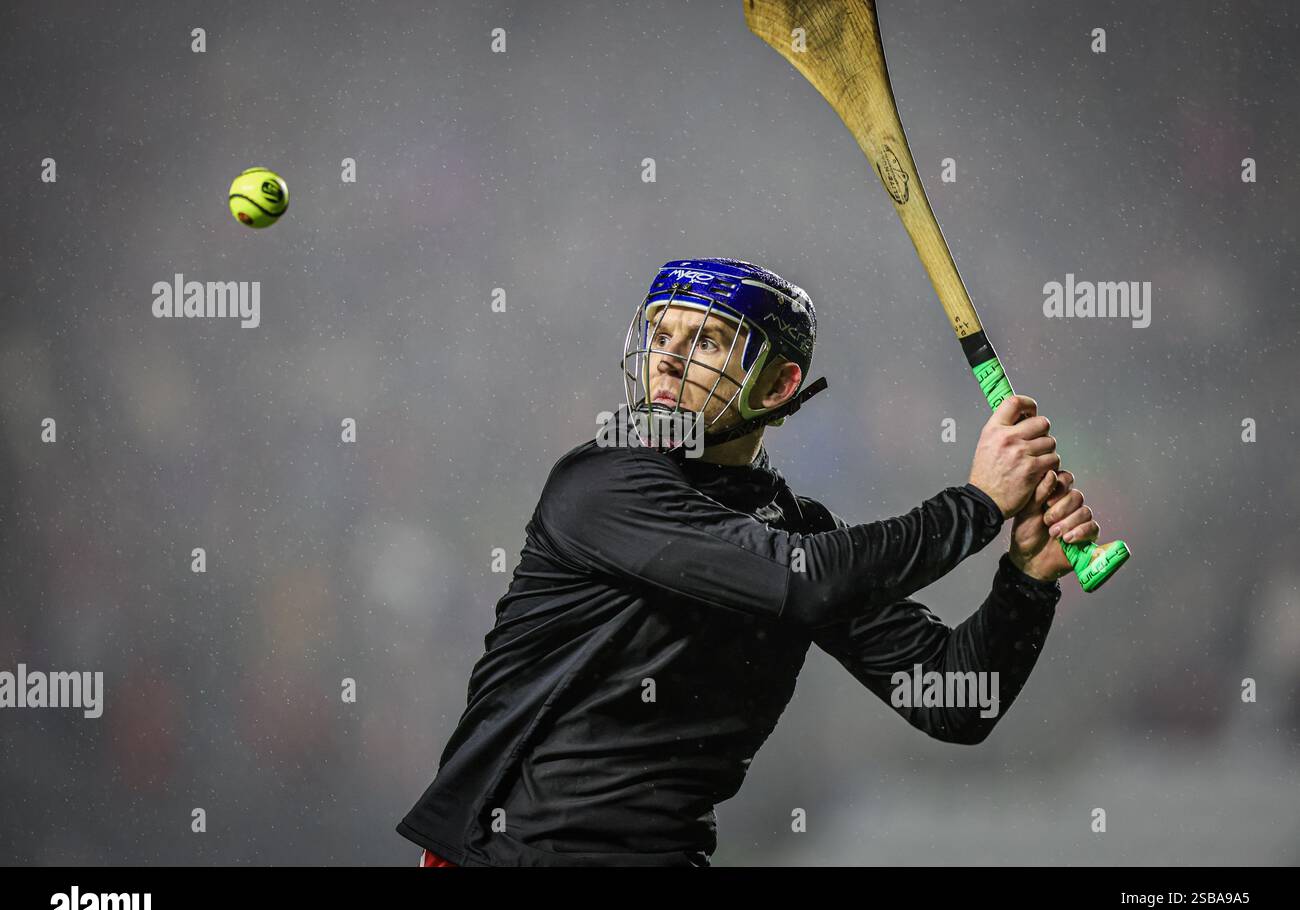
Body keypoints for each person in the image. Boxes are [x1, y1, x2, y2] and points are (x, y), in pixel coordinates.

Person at [398, 257, 1099, 867]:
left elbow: (955, 698)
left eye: (705, 341)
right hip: (503, 854)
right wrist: (976, 504)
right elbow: (804, 582)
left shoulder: (797, 533)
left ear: (777, 386)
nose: (668, 357)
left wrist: (1026, 580)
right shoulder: (604, 483)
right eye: (662, 334)